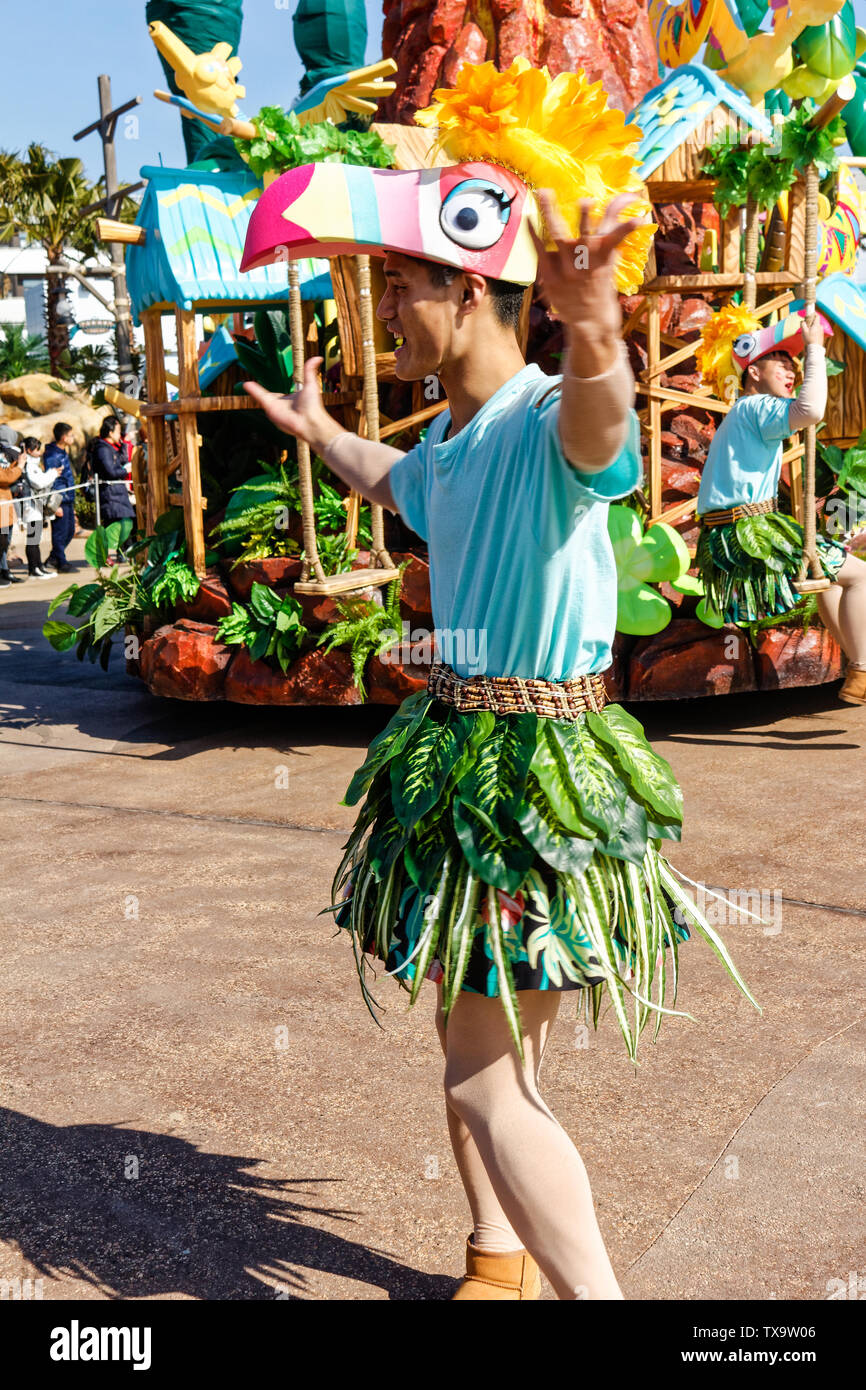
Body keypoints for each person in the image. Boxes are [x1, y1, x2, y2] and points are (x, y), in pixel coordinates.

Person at [243, 58, 759, 1301]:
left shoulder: (540, 421)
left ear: (474, 291)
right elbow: (390, 480)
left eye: (405, 287)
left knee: (484, 1069)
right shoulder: (457, 444)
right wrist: (318, 436)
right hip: (461, 761)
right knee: (472, 1038)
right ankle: (494, 1256)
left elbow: (603, 427)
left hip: (536, 781)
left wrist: (592, 330)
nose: (388, 313)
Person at [695, 304, 866, 705]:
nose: (792, 372)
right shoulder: (757, 407)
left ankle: (857, 665)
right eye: (780, 363)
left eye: (794, 365)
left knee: (825, 575)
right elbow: (811, 410)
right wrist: (815, 349)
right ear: (752, 371)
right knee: (859, 577)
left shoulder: (742, 411)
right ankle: (861, 671)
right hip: (747, 531)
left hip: (731, 532)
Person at [92, 416, 136, 556]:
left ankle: (122, 552)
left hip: (117, 493)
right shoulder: (103, 449)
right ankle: (121, 552)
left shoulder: (110, 447)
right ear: (110, 432)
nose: (120, 434)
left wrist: (124, 444)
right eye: (118, 431)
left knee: (123, 523)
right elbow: (110, 471)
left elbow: (121, 460)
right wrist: (125, 471)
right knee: (119, 523)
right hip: (111, 494)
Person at [21, 437, 62, 578]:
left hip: (37, 505)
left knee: (36, 539)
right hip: (31, 506)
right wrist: (53, 474)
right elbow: (38, 483)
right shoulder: (28, 466)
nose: (39, 452)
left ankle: (38, 567)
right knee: (33, 539)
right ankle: (34, 569)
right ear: (28, 450)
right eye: (36, 449)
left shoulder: (34, 465)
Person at [43, 422, 76, 573]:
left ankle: (53, 558)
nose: (73, 438)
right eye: (70, 435)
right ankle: (61, 561)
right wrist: (55, 504)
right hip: (60, 499)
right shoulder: (53, 455)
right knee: (60, 531)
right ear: (63, 437)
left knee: (69, 531)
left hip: (68, 497)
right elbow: (53, 481)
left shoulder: (63, 452)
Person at [0, 442, 25, 587]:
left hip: (5, 507)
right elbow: (5, 478)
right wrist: (20, 466)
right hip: (2, 508)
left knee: (5, 541)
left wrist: (17, 462)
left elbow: (6, 474)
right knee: (2, 541)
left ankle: (4, 570)